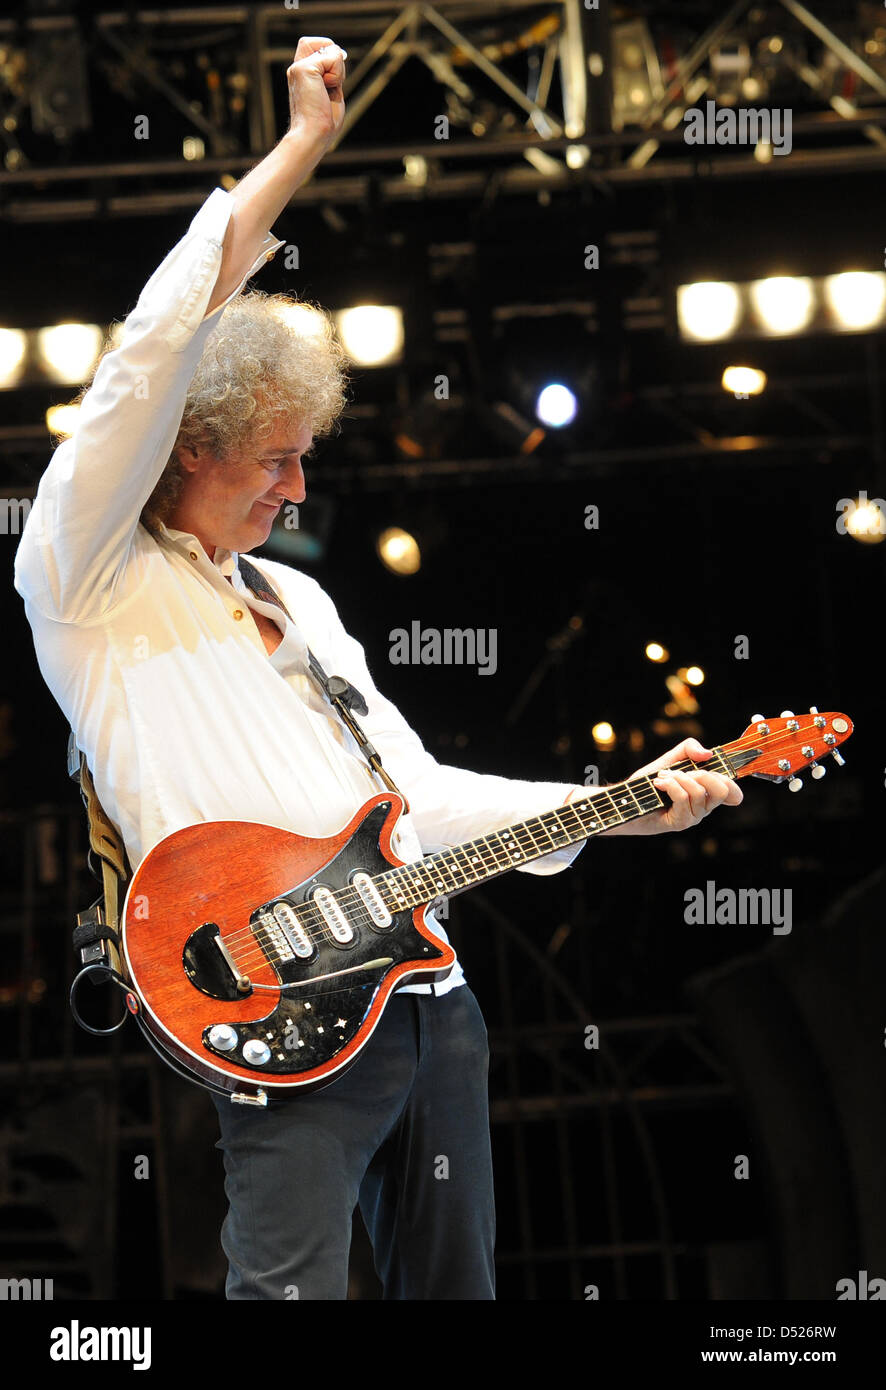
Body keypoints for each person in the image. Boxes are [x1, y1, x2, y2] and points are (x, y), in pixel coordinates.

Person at [14, 36, 742, 1300]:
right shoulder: (86, 574)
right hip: (282, 1015)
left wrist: (619, 804)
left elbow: (412, 804)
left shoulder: (296, 597)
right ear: (192, 445)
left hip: (428, 994)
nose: (300, 486)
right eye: (275, 459)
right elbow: (153, 342)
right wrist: (299, 152)